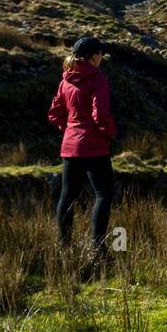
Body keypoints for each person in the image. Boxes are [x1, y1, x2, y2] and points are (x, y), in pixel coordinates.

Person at [47, 36, 117, 267]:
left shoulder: (65, 80)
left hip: (70, 146)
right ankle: (98, 247)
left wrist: (69, 132)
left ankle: (64, 247)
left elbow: (55, 113)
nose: (102, 58)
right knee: (104, 193)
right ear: (93, 56)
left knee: (68, 196)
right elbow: (100, 116)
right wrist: (108, 134)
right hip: (94, 146)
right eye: (100, 54)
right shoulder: (97, 80)